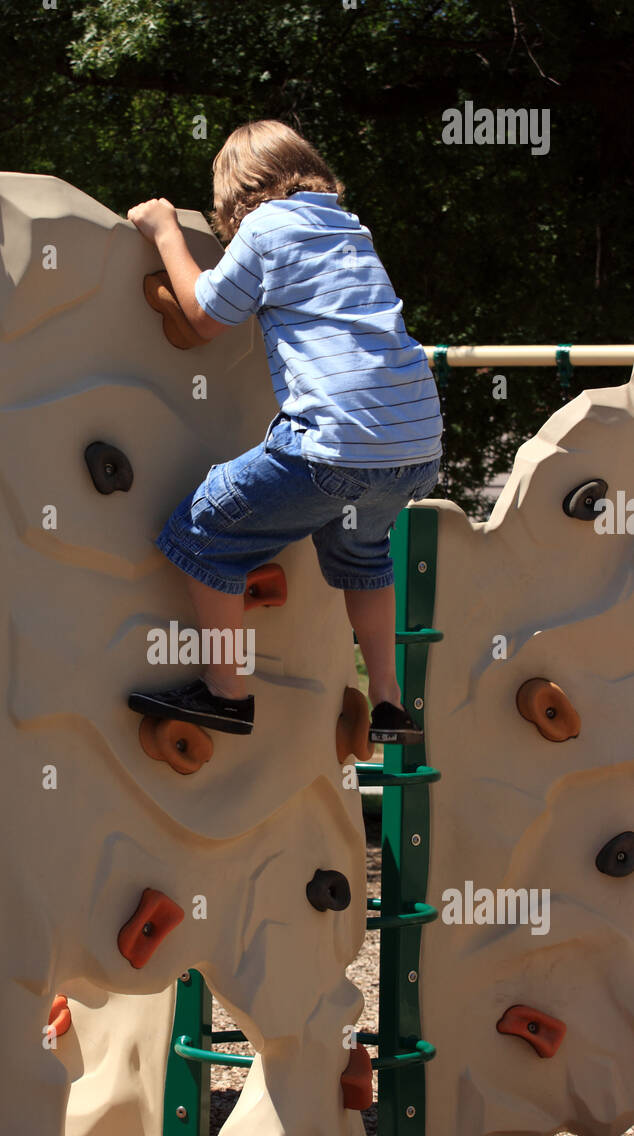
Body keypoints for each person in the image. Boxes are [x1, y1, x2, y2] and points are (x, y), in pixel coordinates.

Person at [126, 119, 442, 742]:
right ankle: (387, 699)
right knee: (366, 556)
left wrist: (164, 229)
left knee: (202, 531)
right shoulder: (350, 229)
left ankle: (226, 693)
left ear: (237, 191)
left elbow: (206, 314)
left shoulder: (267, 226)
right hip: (414, 444)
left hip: (335, 442)